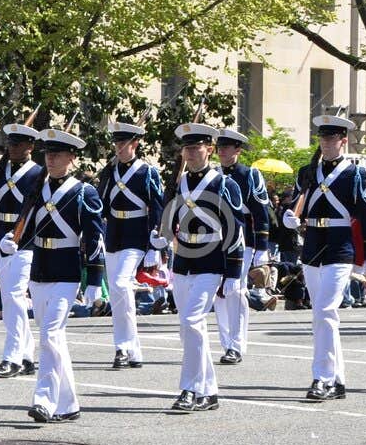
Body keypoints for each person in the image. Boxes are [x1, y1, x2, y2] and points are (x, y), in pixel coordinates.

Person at [282, 115, 366, 402]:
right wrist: (289, 217)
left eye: (331, 138)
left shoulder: (355, 174)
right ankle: (338, 379)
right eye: (322, 138)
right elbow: (298, 201)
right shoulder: (307, 171)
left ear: (343, 141)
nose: (326, 143)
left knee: (325, 311)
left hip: (340, 246)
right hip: (313, 244)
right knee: (321, 315)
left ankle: (322, 378)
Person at [17, 127, 104, 424]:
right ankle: (69, 404)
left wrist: (94, 279)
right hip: (40, 268)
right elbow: (28, 226)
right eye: (47, 154)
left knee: (49, 335)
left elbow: (94, 238)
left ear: (72, 157)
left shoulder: (83, 192)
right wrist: (12, 240)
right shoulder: (37, 187)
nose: (50, 159)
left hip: (66, 271)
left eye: (56, 155)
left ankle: (44, 400)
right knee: (54, 340)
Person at [155, 124, 245, 414]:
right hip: (183, 261)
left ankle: (189, 389)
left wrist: (233, 272)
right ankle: (209, 391)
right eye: (187, 148)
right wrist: (159, 240)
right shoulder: (178, 183)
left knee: (193, 322)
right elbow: (169, 219)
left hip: (211, 260)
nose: (191, 153)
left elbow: (235, 230)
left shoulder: (223, 184)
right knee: (188, 329)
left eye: (196, 148)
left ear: (209, 149)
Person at [95, 119, 164, 370]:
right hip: (114, 234)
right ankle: (133, 350)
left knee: (122, 284)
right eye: (116, 143)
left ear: (135, 144)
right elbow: (100, 204)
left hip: (137, 234)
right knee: (116, 290)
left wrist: (155, 244)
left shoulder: (147, 172)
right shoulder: (109, 171)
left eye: (123, 143)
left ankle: (122, 346)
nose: (119, 147)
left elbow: (157, 207)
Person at [0, 120, 41, 379]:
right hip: (2, 237)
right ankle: (26, 354)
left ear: (30, 146)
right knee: (11, 296)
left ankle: (12, 356)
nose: (12, 148)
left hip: (25, 241)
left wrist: (20, 235)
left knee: (13, 296)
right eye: (10, 143)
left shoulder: (38, 174)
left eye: (18, 144)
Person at [214, 126, 271, 366]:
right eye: (219, 148)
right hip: (214, 240)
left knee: (236, 290)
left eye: (226, 147)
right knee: (219, 293)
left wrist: (262, 247)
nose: (221, 152)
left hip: (241, 239)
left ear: (238, 149)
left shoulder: (249, 175)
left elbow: (260, 213)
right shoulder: (212, 174)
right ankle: (226, 342)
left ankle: (237, 345)